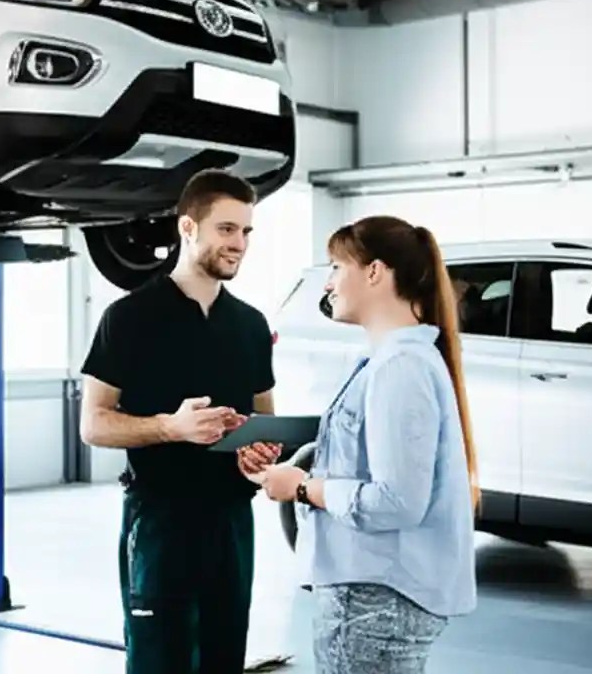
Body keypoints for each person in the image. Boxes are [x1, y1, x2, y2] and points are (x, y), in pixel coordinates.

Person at [252, 215, 479, 673]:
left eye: (337, 267)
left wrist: (302, 488)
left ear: (374, 272)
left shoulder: (400, 367)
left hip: (375, 596)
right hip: (377, 592)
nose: (329, 284)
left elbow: (396, 501)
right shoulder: (393, 361)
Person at [79, 169, 283, 674]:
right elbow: (93, 424)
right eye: (227, 229)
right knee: (159, 661)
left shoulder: (252, 326)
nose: (239, 244)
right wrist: (170, 427)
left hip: (233, 522)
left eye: (246, 231)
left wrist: (261, 449)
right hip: (161, 520)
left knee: (223, 658)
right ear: (188, 228)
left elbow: (266, 419)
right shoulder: (128, 318)